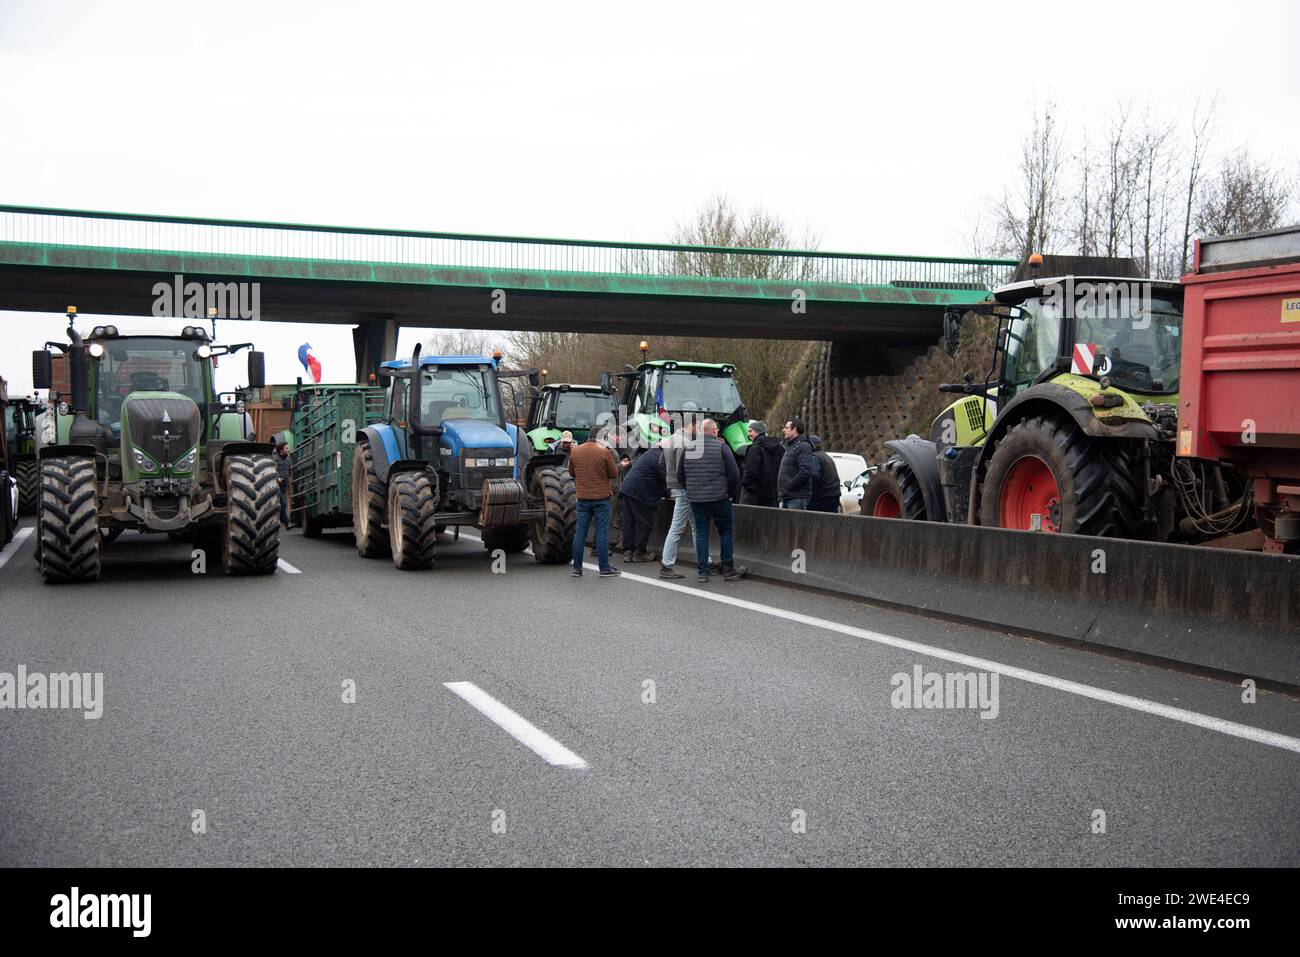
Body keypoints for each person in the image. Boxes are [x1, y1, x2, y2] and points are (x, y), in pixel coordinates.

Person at [676, 418, 747, 584]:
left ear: (701, 431)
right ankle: (728, 570)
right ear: (715, 431)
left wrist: (691, 490)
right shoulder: (722, 447)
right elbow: (734, 474)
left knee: (701, 534)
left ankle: (702, 572)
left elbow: (680, 475)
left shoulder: (688, 448)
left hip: (697, 500)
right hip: (719, 498)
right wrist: (729, 493)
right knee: (726, 531)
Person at [568, 428, 621, 577]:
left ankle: (577, 568)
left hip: (583, 498)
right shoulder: (605, 451)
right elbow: (613, 473)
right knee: (602, 533)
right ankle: (604, 568)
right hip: (601, 498)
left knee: (580, 533)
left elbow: (571, 472)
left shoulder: (576, 451)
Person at [658, 415, 696, 579]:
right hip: (684, 488)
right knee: (677, 527)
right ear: (692, 425)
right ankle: (666, 565)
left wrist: (670, 477)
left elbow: (661, 462)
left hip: (674, 486)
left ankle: (706, 560)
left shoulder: (671, 439)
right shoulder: (686, 442)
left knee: (696, 526)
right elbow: (685, 468)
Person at [618, 443, 666, 563]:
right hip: (640, 493)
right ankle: (639, 553)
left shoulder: (650, 453)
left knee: (629, 522)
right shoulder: (660, 458)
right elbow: (666, 478)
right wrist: (670, 492)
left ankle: (628, 552)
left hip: (629, 489)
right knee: (644, 523)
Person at [740, 420, 783, 507]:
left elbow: (751, 470)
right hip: (772, 493)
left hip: (754, 494)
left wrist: (744, 483)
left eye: (750, 431)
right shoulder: (779, 448)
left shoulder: (754, 448)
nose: (748, 434)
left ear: (758, 431)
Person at [777, 419, 815, 509]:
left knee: (794, 523)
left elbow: (806, 471)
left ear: (794, 429)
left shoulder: (804, 446)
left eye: (786, 428)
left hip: (796, 497)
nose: (783, 430)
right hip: (787, 496)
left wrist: (790, 485)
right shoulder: (791, 446)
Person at [807, 435, 843, 513]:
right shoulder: (827, 457)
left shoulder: (815, 457)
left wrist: (811, 495)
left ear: (812, 445)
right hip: (834, 496)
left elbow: (814, 476)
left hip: (822, 498)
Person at [275, 440, 292, 527]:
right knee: (283, 503)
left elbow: (289, 471)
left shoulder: (288, 459)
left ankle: (280, 519)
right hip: (276, 484)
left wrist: (289, 479)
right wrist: (277, 478)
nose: (289, 449)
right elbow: (271, 471)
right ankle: (286, 522)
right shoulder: (275, 459)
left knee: (281, 503)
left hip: (284, 484)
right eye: (287, 448)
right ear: (281, 450)